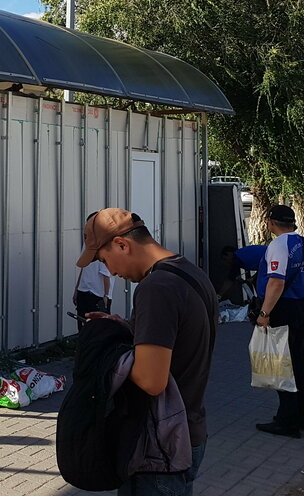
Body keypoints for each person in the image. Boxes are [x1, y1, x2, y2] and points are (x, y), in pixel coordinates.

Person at [79, 208, 216, 496]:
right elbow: (180, 338)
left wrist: (106, 355)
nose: (112, 271)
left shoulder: (156, 287)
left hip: (158, 448)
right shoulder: (187, 271)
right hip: (188, 430)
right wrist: (127, 327)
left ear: (122, 244)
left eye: (105, 260)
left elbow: (152, 380)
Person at [254, 204, 304, 438]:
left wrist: (264, 314)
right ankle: (296, 416)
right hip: (299, 307)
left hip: (284, 309)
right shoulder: (300, 242)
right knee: (298, 363)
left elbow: (276, 282)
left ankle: (287, 421)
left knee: (283, 365)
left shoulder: (278, 244)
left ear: (271, 223)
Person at [73, 258, 113, 328]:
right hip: (91, 293)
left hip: (95, 295)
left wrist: (106, 295)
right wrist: (77, 289)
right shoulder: (87, 248)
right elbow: (83, 269)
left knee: (94, 328)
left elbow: (106, 275)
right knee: (95, 328)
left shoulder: (102, 250)